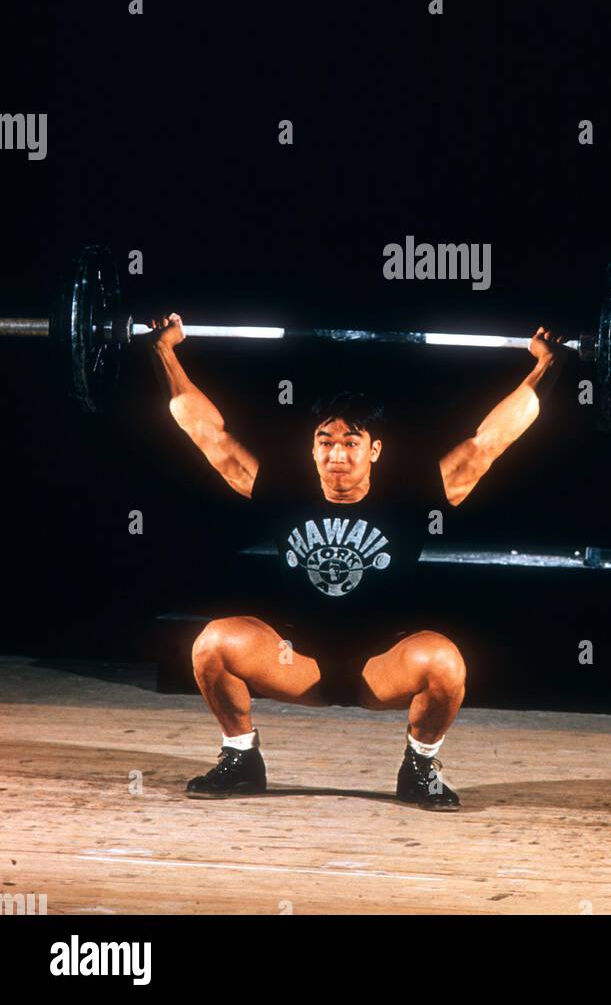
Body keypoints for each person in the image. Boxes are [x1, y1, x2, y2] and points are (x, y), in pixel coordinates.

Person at [148, 314, 566, 810]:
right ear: (313, 449)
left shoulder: (412, 496)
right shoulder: (281, 491)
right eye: (326, 442)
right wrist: (165, 353)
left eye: (351, 443)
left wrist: (547, 368)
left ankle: (419, 769)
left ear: (375, 450)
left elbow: (490, 440)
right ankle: (241, 759)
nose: (337, 455)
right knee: (212, 643)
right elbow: (208, 433)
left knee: (445, 663)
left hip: (381, 665)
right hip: (294, 660)